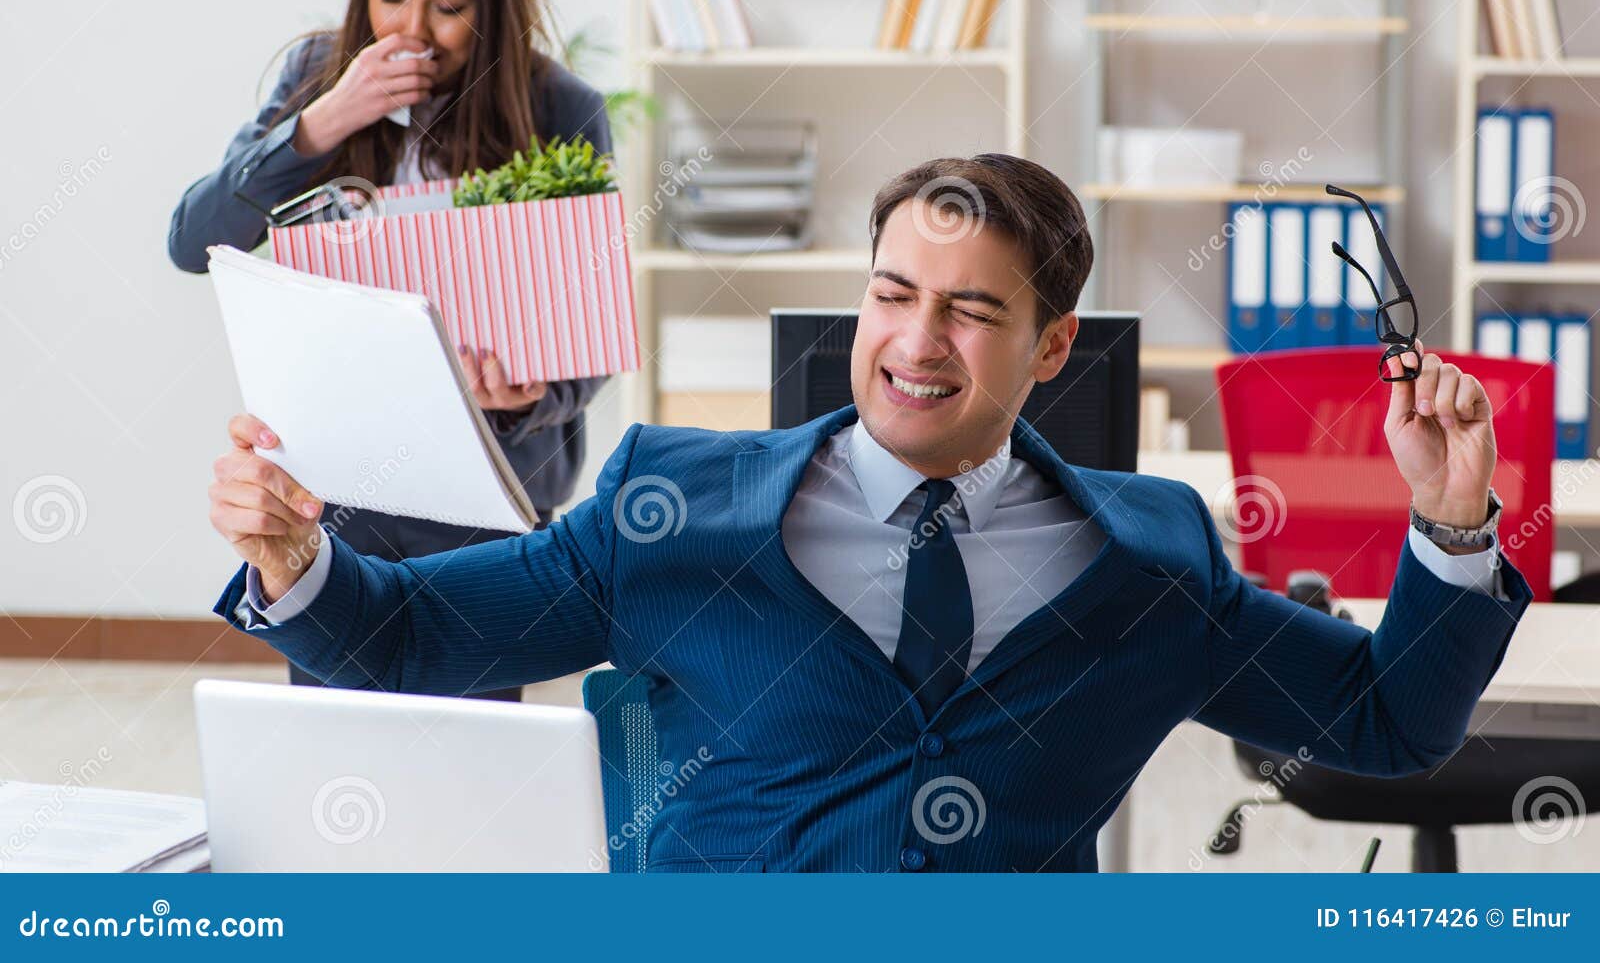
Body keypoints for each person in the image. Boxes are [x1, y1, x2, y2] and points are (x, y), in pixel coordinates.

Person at [207, 154, 1528, 871]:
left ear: (1051, 345)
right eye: (894, 291)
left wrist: (1452, 523)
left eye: (970, 307)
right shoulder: (677, 503)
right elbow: (409, 637)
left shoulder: (1152, 561)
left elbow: (1385, 720)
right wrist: (296, 554)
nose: (915, 337)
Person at [173, 0, 612, 702]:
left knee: (473, 753)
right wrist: (328, 117)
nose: (413, 31)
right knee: (336, 743)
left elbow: (588, 341)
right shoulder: (318, 73)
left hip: (487, 488)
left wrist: (531, 394)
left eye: (449, 8)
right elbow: (194, 240)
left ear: (496, 4)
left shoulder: (561, 106)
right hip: (337, 479)